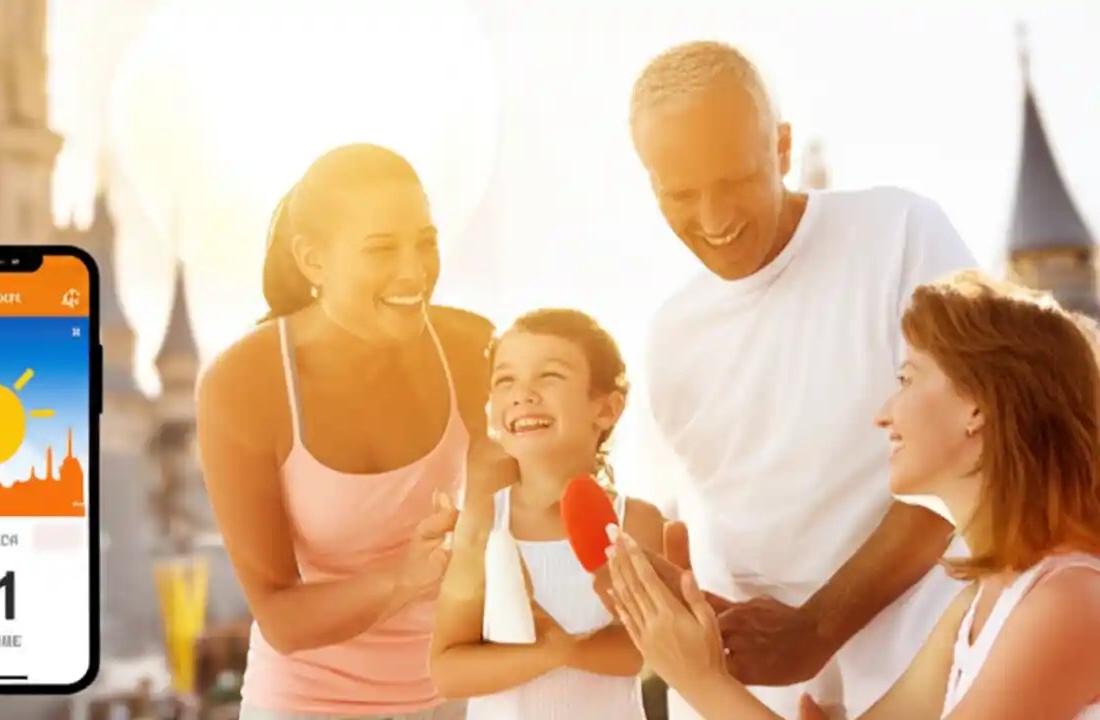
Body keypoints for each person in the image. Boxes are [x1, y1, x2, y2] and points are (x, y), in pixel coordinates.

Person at [609, 40, 980, 718]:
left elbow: (972, 448)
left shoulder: (900, 233)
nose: (714, 219)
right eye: (682, 194)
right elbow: (650, 517)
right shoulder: (668, 336)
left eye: (736, 179)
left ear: (781, 148)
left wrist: (817, 629)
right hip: (751, 698)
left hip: (926, 677)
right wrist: (651, 585)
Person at [608, 270, 1100, 719]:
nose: (884, 414)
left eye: (907, 379)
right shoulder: (983, 602)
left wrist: (698, 678)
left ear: (978, 405)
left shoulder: (1068, 601)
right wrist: (694, 637)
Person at [196, 143, 495, 719]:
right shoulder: (244, 384)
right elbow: (279, 616)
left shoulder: (471, 349)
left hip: (453, 696)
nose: (414, 271)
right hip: (306, 703)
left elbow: (525, 513)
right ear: (313, 261)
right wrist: (403, 580)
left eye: (425, 242)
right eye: (381, 249)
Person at [430, 308, 663, 719]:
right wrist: (550, 652)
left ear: (606, 409)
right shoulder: (483, 523)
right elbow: (449, 671)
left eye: (550, 376)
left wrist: (564, 649)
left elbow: (639, 651)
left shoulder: (634, 521)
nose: (523, 393)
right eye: (505, 380)